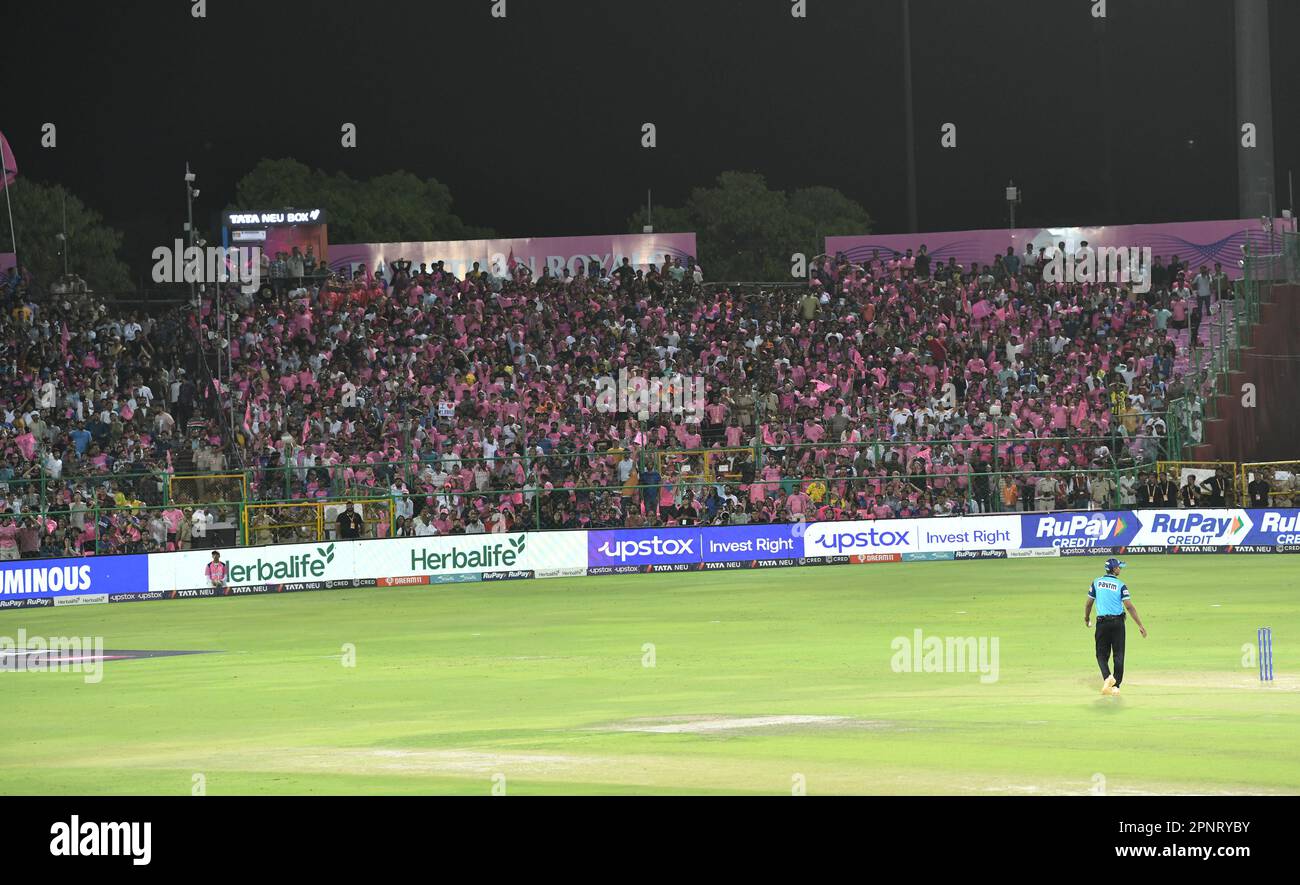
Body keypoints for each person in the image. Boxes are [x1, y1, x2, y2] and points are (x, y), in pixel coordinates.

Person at [1084, 559, 1148, 696]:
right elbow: (1129, 606)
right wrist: (1140, 625)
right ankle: (1116, 686)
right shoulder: (1120, 585)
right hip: (1118, 623)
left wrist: (1086, 618)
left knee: (1101, 654)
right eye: (1119, 567)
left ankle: (1107, 677)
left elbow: (1089, 603)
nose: (1120, 569)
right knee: (1119, 655)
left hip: (1102, 623)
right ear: (1114, 569)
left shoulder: (1096, 582)